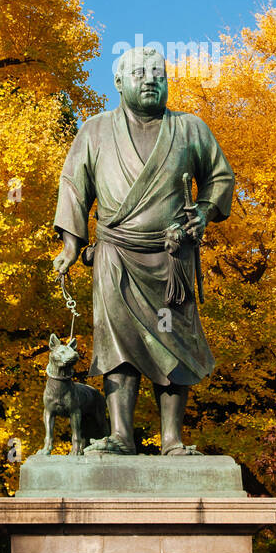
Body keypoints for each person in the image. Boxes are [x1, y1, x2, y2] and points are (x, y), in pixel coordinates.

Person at [53, 44, 234, 455]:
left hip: (172, 257)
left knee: (175, 342)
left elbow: (220, 178)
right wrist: (70, 245)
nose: (150, 79)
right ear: (118, 83)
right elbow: (73, 187)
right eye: (139, 72)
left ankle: (172, 438)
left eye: (157, 72)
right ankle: (121, 434)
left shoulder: (190, 128)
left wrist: (203, 213)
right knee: (117, 342)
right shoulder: (95, 131)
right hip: (115, 253)